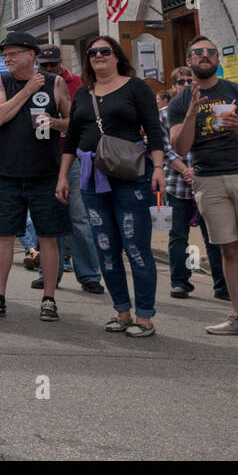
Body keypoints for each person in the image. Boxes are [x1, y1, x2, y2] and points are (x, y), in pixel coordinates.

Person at [57, 36, 165, 337]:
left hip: (131, 177)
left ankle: (144, 316)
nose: (98, 56)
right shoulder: (82, 94)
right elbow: (72, 141)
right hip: (91, 178)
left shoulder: (136, 87)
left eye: (105, 51)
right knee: (106, 248)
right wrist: (63, 176)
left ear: (117, 56)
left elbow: (154, 131)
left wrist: (158, 168)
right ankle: (122, 312)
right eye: (92, 52)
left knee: (136, 246)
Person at [0, 31, 72, 323]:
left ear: (31, 55)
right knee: (5, 237)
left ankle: (49, 298)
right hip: (8, 172)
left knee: (48, 237)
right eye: (5, 54)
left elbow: (73, 124)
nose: (7, 58)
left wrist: (56, 122)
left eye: (13, 53)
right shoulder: (2, 82)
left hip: (45, 172)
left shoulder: (55, 82)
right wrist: (27, 91)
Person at [168, 35, 238, 335]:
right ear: (189, 60)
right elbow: (181, 147)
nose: (205, 56)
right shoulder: (180, 101)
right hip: (207, 180)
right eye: (198, 52)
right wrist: (191, 113)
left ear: (217, 60)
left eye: (211, 52)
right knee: (229, 248)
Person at [37, 43, 103, 295]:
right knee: (48, 219)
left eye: (53, 64)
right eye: (44, 65)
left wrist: (55, 123)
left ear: (60, 62)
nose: (49, 69)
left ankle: (88, 275)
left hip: (72, 156)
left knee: (79, 217)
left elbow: (82, 121)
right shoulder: (31, 82)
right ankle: (48, 274)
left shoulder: (77, 83)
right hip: (43, 157)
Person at [161, 65, 229, 301]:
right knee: (178, 237)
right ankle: (180, 282)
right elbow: (165, 151)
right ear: (173, 87)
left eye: (190, 81)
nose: (186, 85)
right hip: (177, 186)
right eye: (180, 82)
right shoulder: (164, 113)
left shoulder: (210, 110)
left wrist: (197, 173)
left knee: (214, 236)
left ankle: (222, 285)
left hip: (207, 182)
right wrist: (187, 172)